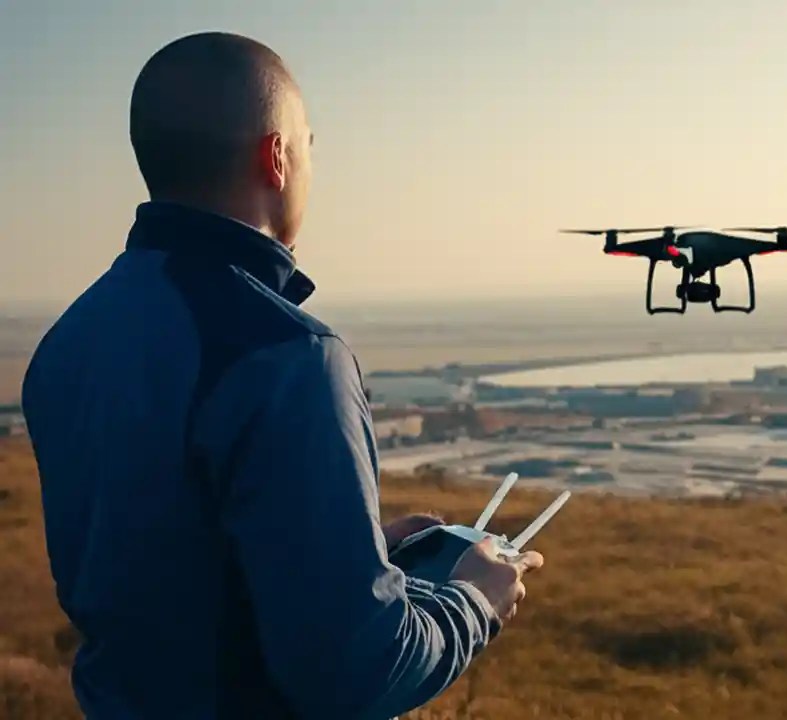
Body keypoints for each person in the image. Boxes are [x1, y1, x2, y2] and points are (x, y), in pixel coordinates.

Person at [20, 31, 543, 719]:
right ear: (275, 157)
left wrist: (356, 553)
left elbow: (164, 569)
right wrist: (473, 600)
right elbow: (360, 672)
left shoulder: (69, 341)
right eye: (309, 148)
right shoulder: (287, 355)